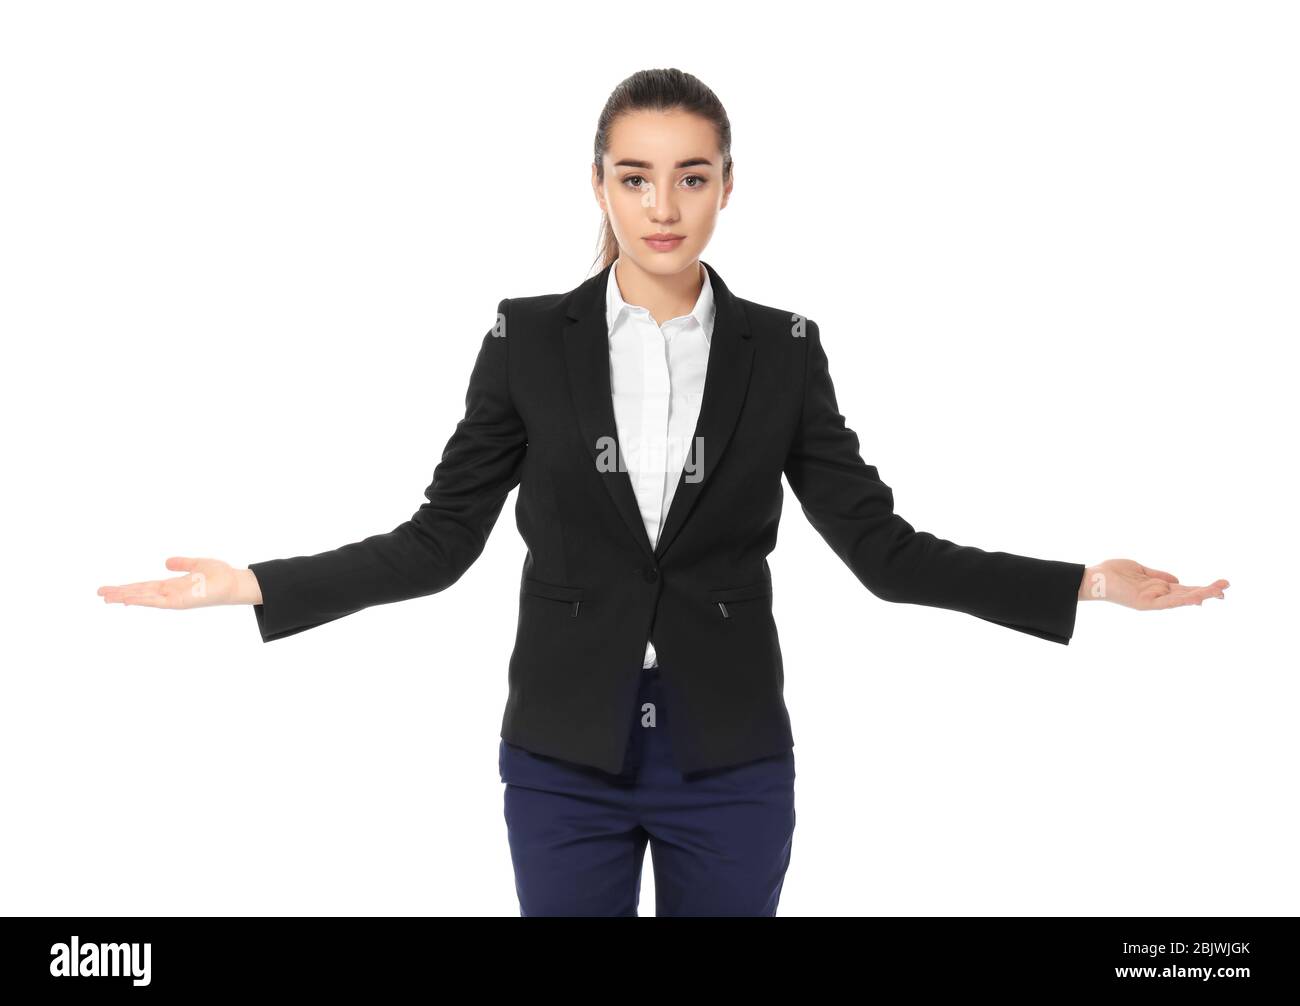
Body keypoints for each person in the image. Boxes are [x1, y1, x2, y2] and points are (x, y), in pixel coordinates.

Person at [98, 68, 1230, 916]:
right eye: (635, 176)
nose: (663, 205)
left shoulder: (781, 349)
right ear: (598, 182)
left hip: (730, 755)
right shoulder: (527, 338)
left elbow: (884, 554)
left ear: (728, 186)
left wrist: (1081, 584)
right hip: (561, 754)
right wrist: (255, 585)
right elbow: (440, 540)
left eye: (692, 176)